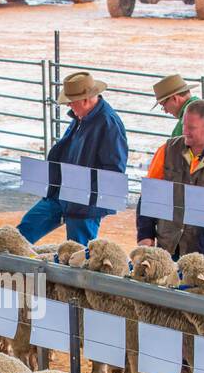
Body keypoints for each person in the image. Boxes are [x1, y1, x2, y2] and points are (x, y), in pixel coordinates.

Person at [17, 71, 128, 245]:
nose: (69, 106)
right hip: (62, 194)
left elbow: (114, 171)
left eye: (71, 102)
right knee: (22, 232)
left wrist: (85, 198)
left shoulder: (108, 123)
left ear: (85, 99)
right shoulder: (82, 117)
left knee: (77, 253)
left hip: (84, 204)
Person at [136, 99, 204, 264]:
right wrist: (145, 235)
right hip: (168, 246)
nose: (185, 131)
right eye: (184, 125)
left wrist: (199, 260)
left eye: (191, 128)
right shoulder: (166, 150)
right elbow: (150, 194)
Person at [149, 73, 204, 158]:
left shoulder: (184, 125)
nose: (165, 111)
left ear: (175, 98)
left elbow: (175, 162)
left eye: (163, 105)